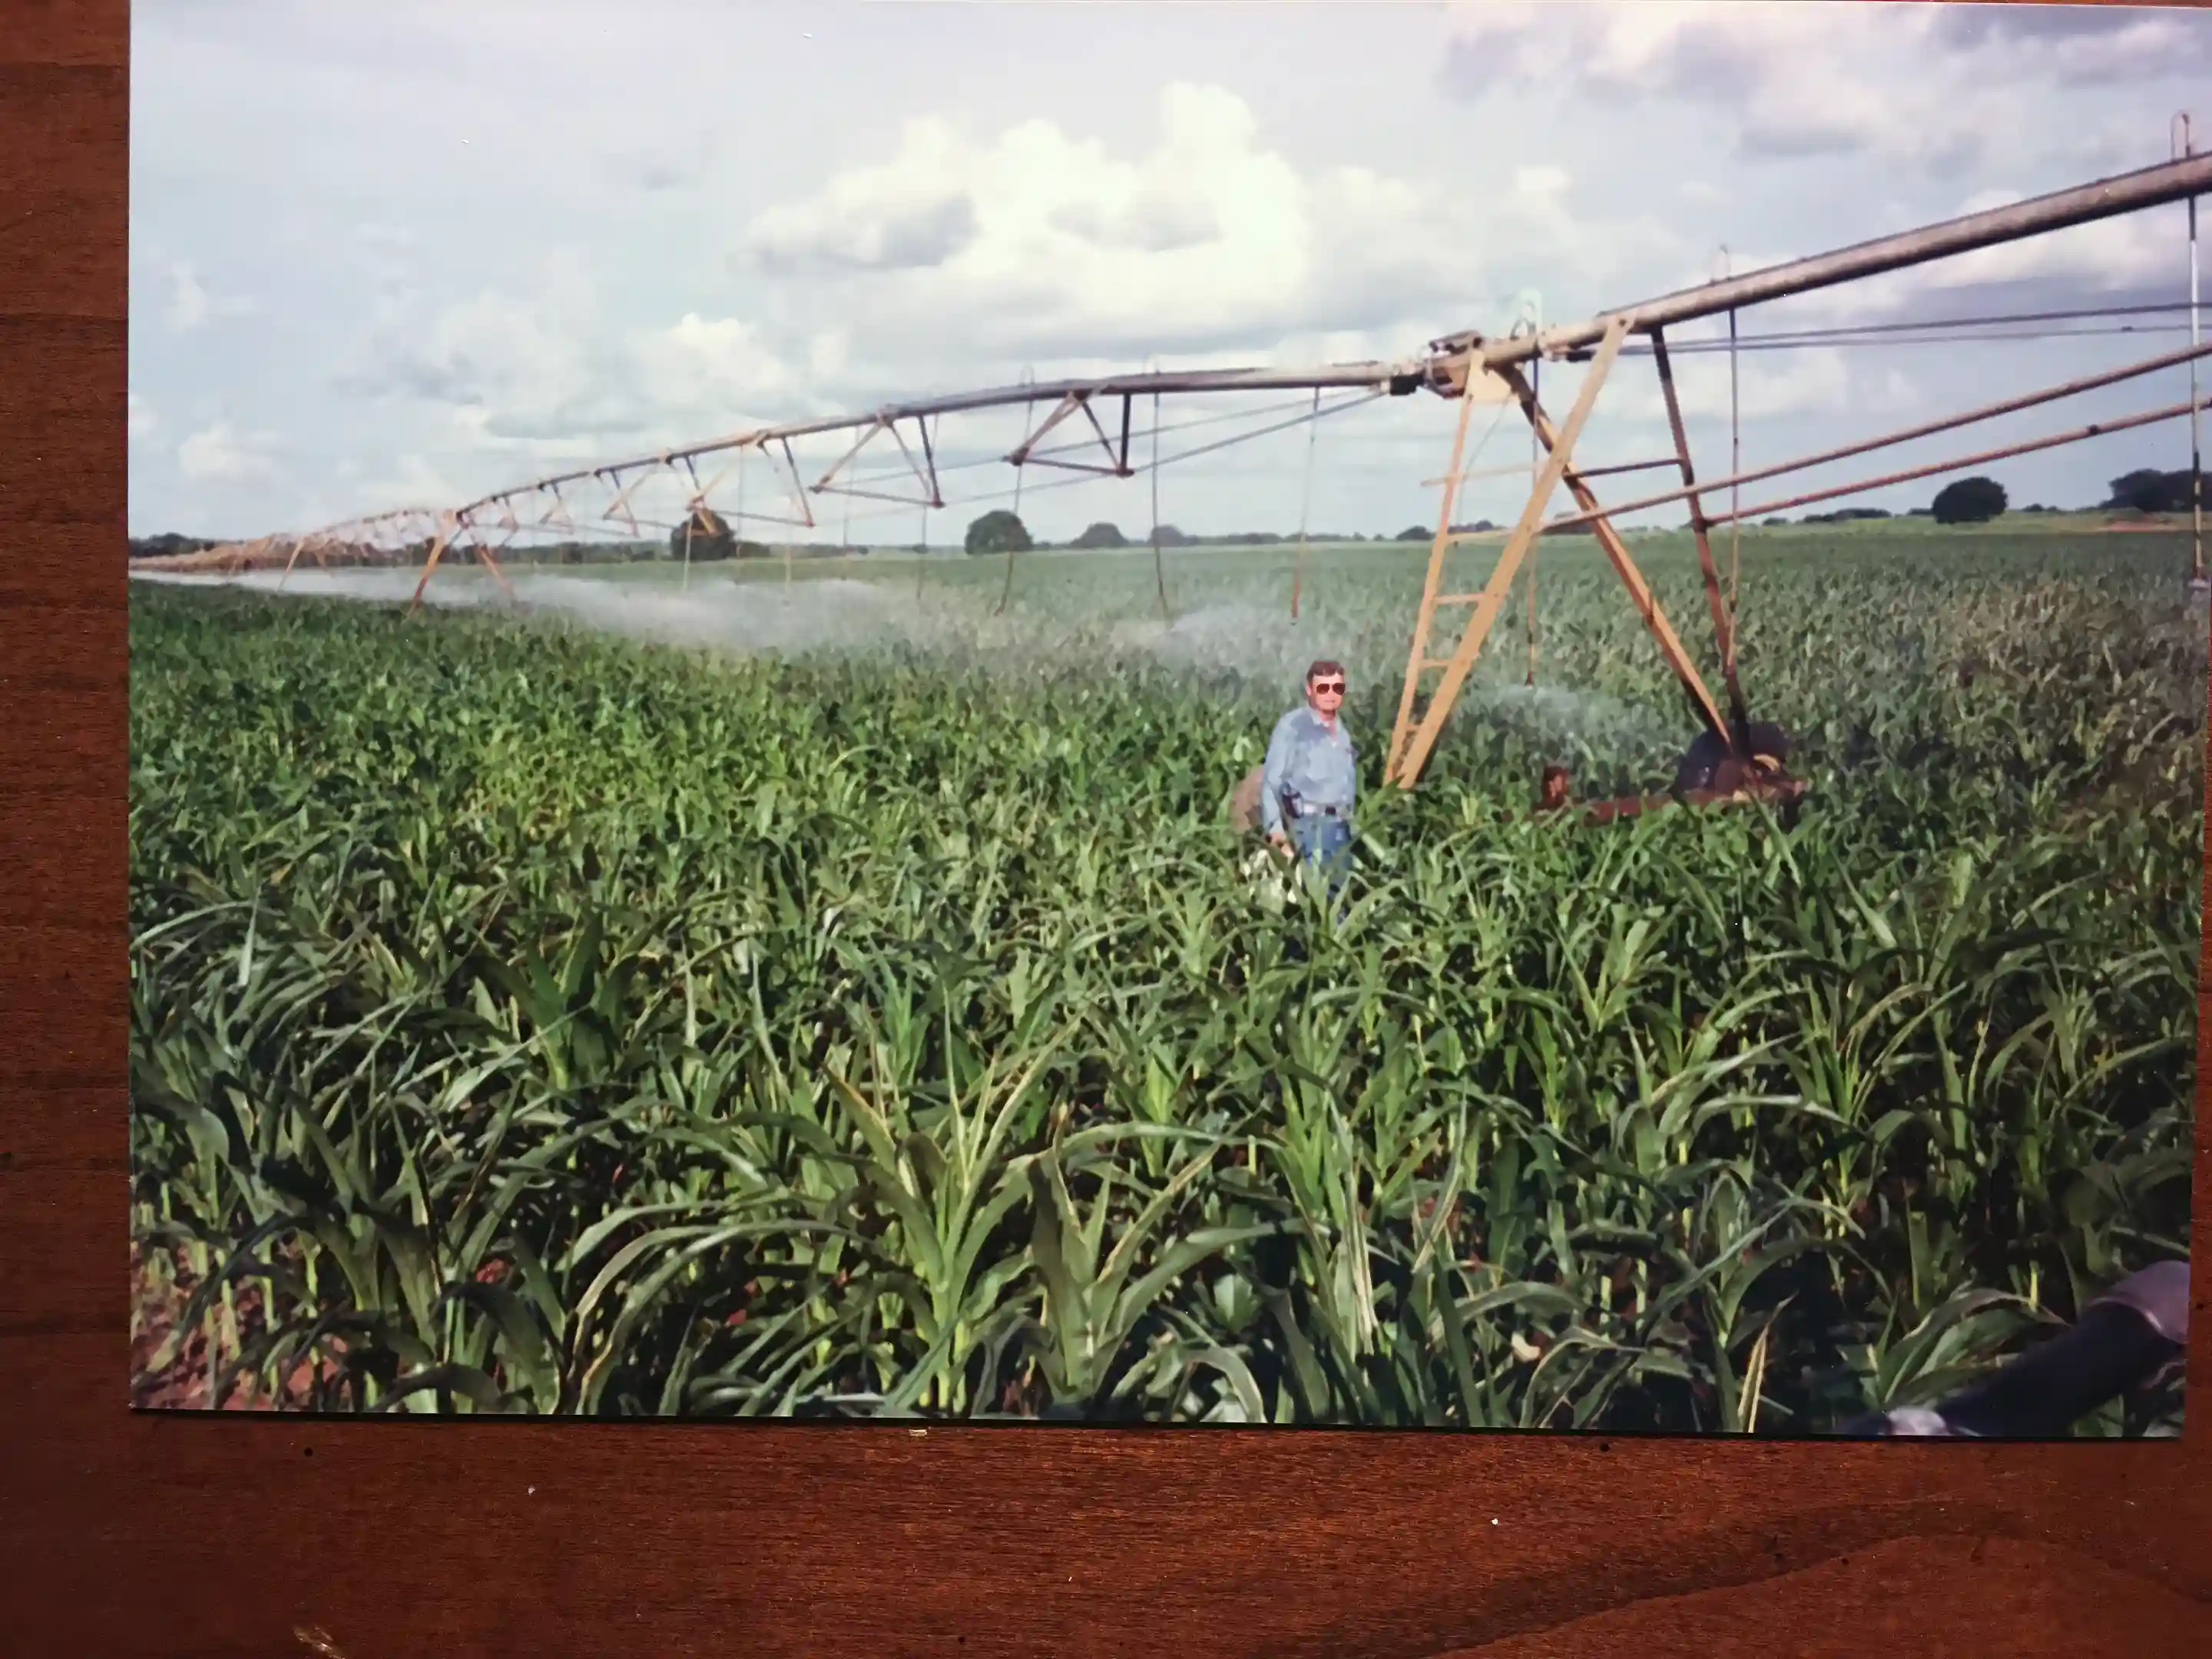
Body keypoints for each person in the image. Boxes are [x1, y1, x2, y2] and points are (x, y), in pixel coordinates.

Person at [1260, 660, 1357, 903]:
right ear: (1309, 689)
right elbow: (1272, 782)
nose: (1331, 694)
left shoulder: (1341, 731)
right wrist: (1276, 831)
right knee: (1314, 900)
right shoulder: (1293, 727)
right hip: (1309, 828)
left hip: (1341, 828)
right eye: (1323, 688)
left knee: (1339, 900)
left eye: (1338, 688)